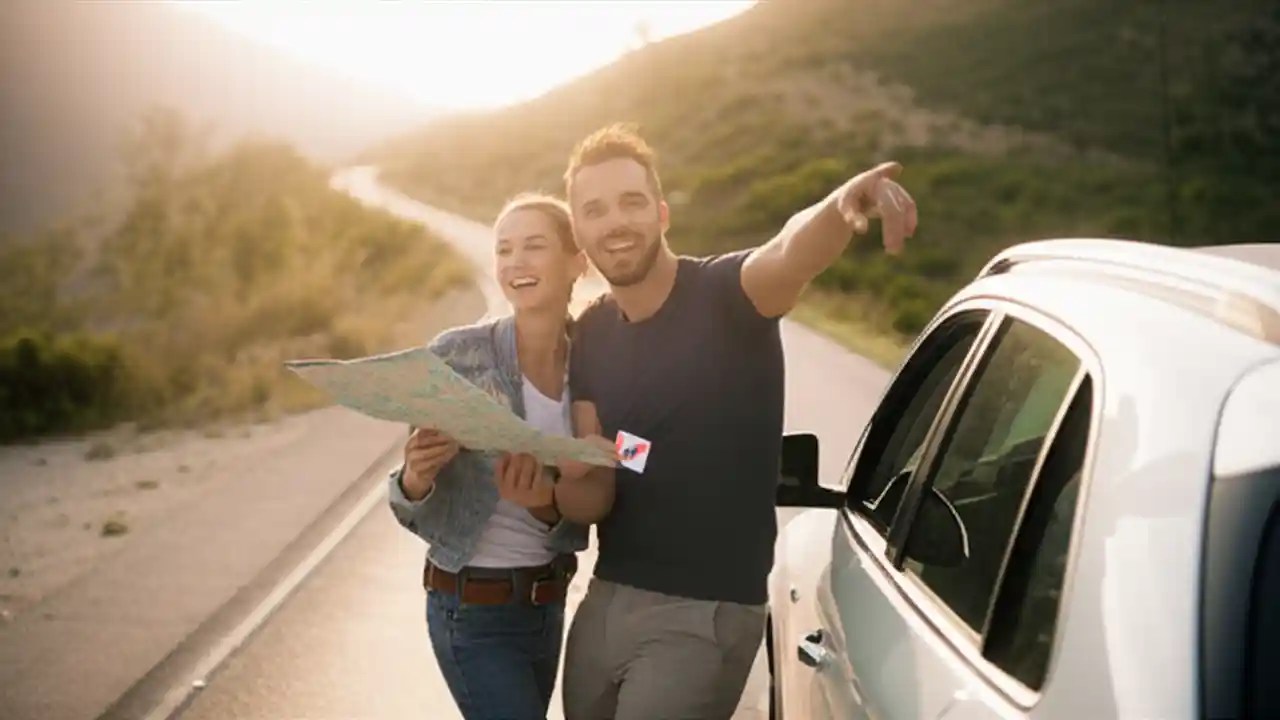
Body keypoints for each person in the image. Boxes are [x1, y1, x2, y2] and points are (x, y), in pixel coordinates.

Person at [560, 124, 918, 719]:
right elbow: (591, 496)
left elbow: (787, 251)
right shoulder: (592, 332)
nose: (615, 222)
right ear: (579, 231)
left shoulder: (727, 296)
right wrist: (567, 476)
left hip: (702, 615)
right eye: (594, 210)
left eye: (631, 202)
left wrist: (841, 205)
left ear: (662, 213)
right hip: (603, 602)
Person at [387, 193, 616, 720]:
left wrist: (545, 503)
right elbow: (408, 499)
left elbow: (607, 479)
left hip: (547, 605)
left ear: (576, 262)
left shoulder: (597, 361)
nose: (516, 262)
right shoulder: (456, 356)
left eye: (534, 246)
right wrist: (416, 477)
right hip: (468, 611)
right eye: (505, 249)